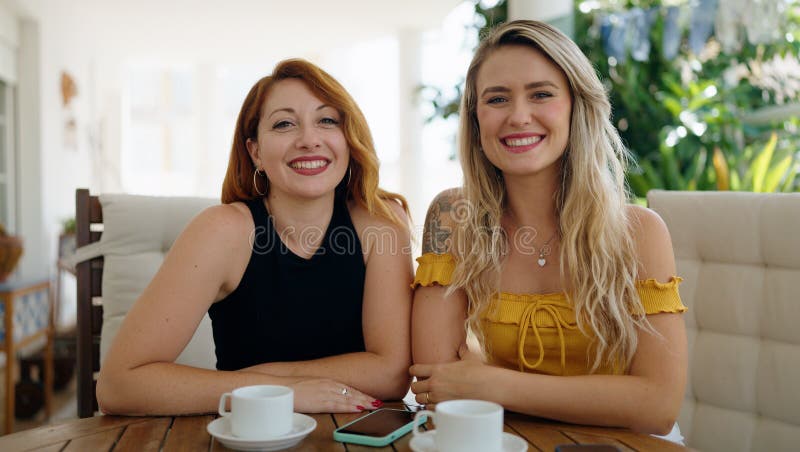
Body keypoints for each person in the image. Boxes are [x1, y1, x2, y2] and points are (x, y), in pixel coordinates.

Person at [409, 20, 688, 440]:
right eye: (497, 98)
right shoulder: (453, 217)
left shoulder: (639, 232)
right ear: (476, 117)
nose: (519, 116)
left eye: (541, 94)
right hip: (504, 439)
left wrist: (493, 384)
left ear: (577, 105)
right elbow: (440, 389)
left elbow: (656, 407)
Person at [98, 59, 414, 415]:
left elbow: (391, 374)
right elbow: (118, 384)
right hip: (247, 435)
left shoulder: (382, 224)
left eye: (327, 120)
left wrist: (272, 379)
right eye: (284, 124)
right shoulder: (222, 231)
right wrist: (286, 393)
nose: (309, 139)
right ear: (255, 152)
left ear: (348, 138)